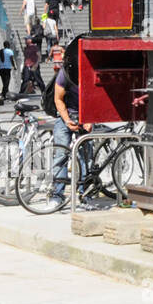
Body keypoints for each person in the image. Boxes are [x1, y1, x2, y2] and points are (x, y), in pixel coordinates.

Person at [51, 58, 90, 205]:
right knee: (61, 155)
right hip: (66, 115)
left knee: (86, 156)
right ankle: (57, 194)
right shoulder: (64, 73)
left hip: (84, 116)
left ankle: (85, 193)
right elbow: (58, 98)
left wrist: (90, 119)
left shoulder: (89, 72)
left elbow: (95, 98)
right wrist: (67, 120)